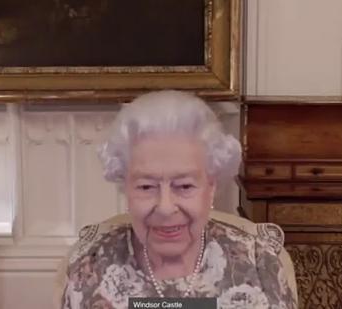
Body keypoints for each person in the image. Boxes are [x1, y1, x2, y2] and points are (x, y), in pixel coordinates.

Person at [60, 90, 298, 308]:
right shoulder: (90, 270)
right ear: (126, 188)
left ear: (211, 186)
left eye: (184, 186)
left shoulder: (258, 266)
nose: (165, 207)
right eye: (146, 186)